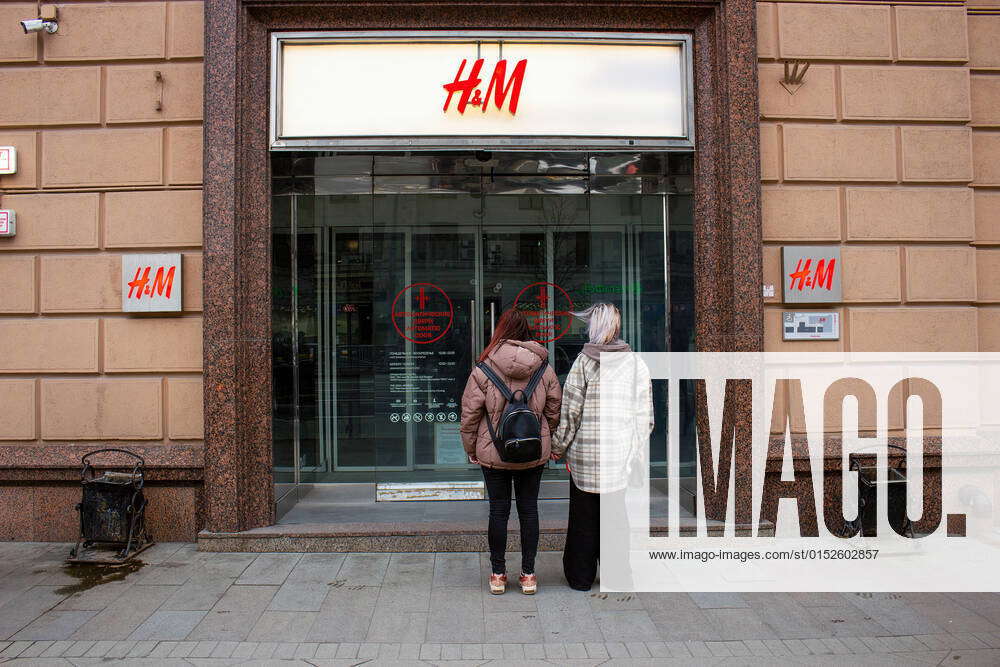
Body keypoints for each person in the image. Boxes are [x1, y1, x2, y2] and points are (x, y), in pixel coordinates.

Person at [551, 302, 653, 591]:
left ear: (594, 328)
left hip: (585, 456)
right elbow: (645, 418)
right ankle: (617, 576)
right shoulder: (637, 364)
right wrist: (635, 452)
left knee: (582, 517)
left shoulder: (583, 363)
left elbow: (570, 413)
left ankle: (580, 577)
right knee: (616, 519)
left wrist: (557, 447)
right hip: (619, 457)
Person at [461, 309, 562, 595]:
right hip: (533, 452)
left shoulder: (483, 369)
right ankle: (529, 575)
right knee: (529, 510)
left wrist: (471, 448)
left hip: (493, 453)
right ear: (526, 334)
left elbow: (469, 415)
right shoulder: (544, 368)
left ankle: (498, 574)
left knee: (498, 511)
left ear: (500, 332)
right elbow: (555, 409)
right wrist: (546, 435)